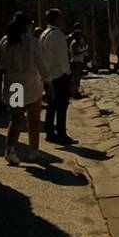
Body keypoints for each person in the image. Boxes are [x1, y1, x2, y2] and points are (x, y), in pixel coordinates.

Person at [0, 12, 49, 165]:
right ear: (27, 25)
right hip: (31, 85)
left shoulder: (5, 40)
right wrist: (48, 82)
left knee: (16, 120)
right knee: (34, 119)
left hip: (14, 85)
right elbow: (40, 63)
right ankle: (34, 151)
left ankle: (10, 150)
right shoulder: (32, 42)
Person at [40, 8, 77, 145]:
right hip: (59, 75)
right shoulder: (57, 35)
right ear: (56, 19)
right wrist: (68, 73)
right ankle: (61, 134)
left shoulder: (44, 34)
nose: (63, 20)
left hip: (48, 75)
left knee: (52, 105)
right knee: (61, 106)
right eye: (61, 18)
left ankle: (50, 132)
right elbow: (62, 57)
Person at [69, 24, 89, 98]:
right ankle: (74, 92)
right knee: (75, 79)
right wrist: (84, 50)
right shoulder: (74, 43)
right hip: (75, 62)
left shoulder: (78, 43)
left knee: (77, 78)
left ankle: (75, 91)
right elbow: (76, 53)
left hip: (79, 62)